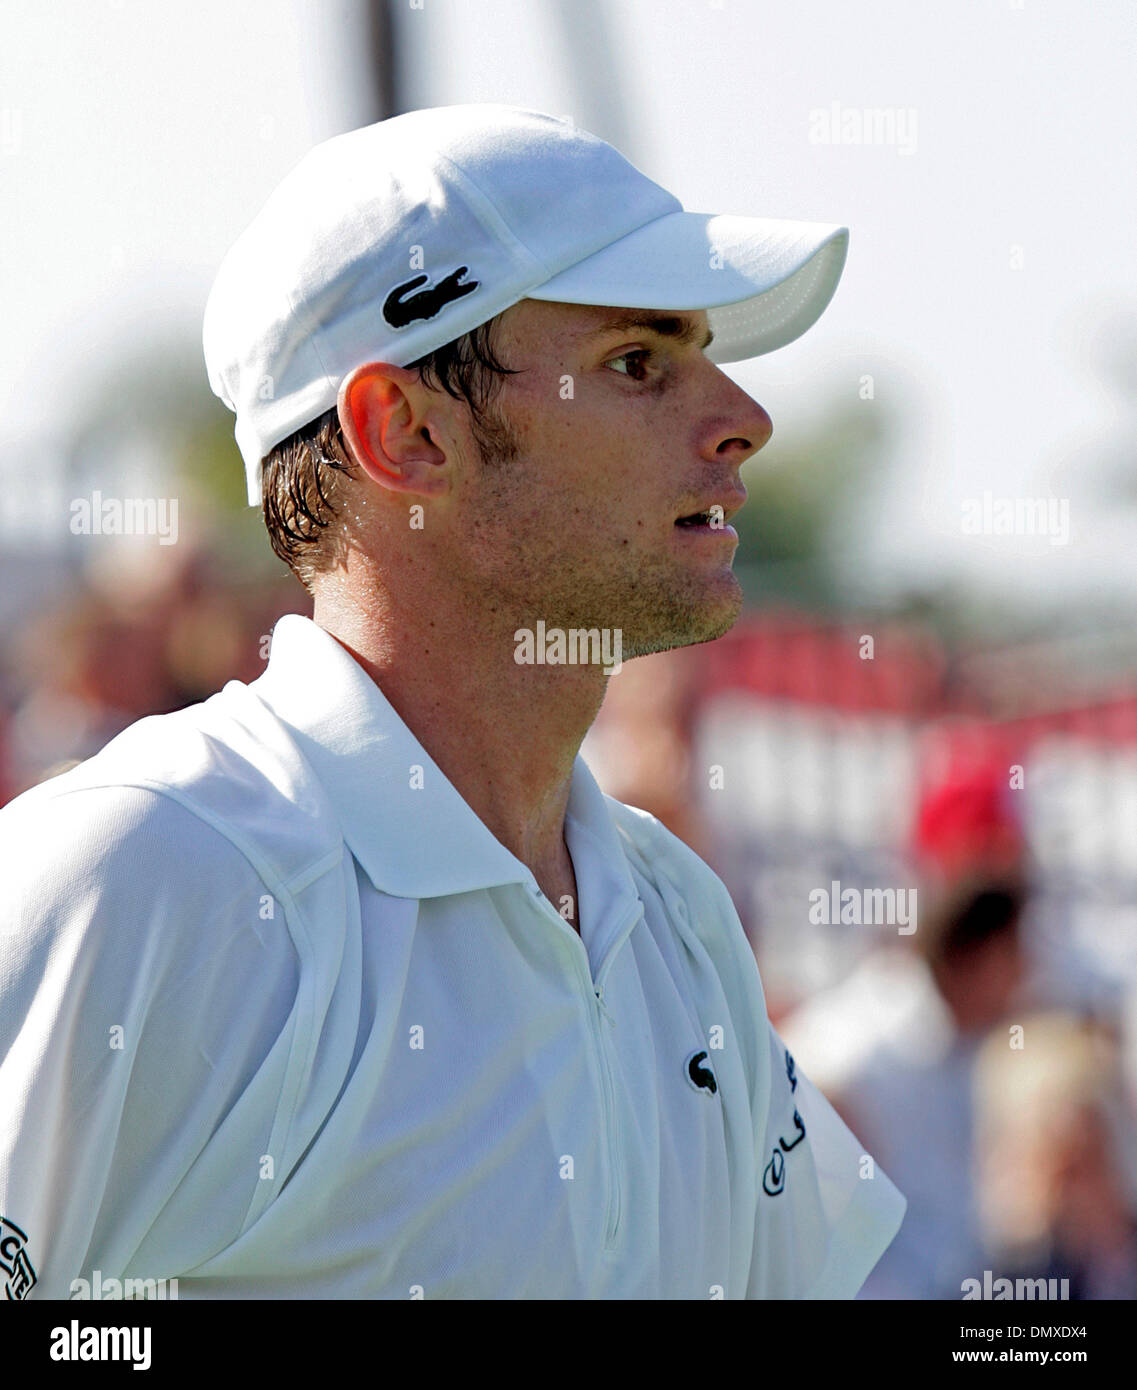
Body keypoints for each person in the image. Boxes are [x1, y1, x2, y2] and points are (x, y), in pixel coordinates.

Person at [0, 104, 904, 1300]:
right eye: (638, 363)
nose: (746, 418)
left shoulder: (679, 919)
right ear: (407, 432)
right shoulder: (142, 870)